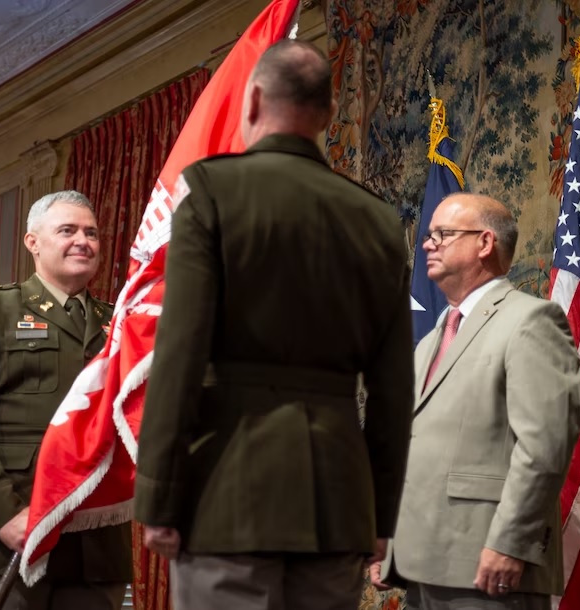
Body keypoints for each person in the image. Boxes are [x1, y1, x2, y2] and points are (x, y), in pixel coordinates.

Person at [133, 39, 414, 610]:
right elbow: (393, 391)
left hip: (226, 494)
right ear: (328, 115)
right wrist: (379, 516)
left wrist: (159, 499)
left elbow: (180, 355)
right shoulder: (379, 222)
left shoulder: (212, 191)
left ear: (254, 99)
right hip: (337, 505)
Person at [372, 193, 580, 609]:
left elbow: (544, 446)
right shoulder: (431, 340)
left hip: (489, 564)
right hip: (421, 564)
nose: (427, 244)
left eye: (442, 234)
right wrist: (388, 539)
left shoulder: (531, 321)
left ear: (484, 243)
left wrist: (511, 543)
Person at [0, 190, 132, 610]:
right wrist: (2, 515)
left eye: (91, 232)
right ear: (33, 242)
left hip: (96, 548)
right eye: (67, 230)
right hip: (9, 536)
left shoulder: (120, 323)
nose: (83, 241)